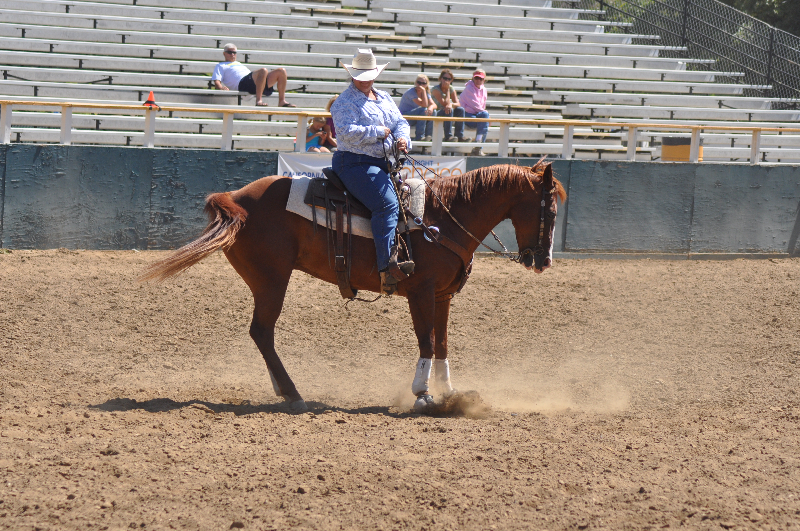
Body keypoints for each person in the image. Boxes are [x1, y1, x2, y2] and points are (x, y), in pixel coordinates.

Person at [330, 49, 412, 296]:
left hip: (381, 162)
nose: (365, 80)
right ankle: (386, 268)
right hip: (353, 162)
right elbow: (344, 132)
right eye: (361, 75)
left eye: (369, 75)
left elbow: (401, 123)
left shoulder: (384, 97)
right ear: (353, 75)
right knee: (387, 205)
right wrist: (378, 132)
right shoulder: (343, 102)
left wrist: (402, 139)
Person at [211, 43, 296, 107]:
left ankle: (282, 101)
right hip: (241, 84)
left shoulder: (239, 64)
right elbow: (217, 80)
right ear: (224, 53)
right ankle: (258, 100)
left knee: (282, 71)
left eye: (234, 52)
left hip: (253, 83)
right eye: (230, 52)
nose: (232, 54)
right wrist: (221, 87)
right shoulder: (221, 65)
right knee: (263, 70)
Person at [397, 74, 436, 142]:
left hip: (415, 117)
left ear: (427, 84)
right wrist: (423, 91)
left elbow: (434, 105)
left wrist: (431, 108)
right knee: (423, 110)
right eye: (419, 82)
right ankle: (419, 136)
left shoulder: (426, 93)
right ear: (415, 83)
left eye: (423, 83)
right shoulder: (411, 92)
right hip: (405, 117)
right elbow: (424, 105)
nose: (421, 85)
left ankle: (429, 136)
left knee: (433, 112)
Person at [460, 69, 490, 156]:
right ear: (473, 78)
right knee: (485, 118)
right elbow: (475, 104)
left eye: (480, 78)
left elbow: (481, 105)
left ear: (483, 80)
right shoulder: (469, 88)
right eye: (476, 78)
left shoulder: (484, 90)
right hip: (467, 114)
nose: (478, 80)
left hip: (475, 114)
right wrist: (487, 116)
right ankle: (478, 146)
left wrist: (486, 115)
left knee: (484, 117)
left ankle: (478, 145)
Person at [431, 69, 465, 142]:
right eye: (445, 78)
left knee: (460, 110)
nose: (446, 81)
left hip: (447, 111)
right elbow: (444, 104)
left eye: (449, 79)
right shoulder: (435, 89)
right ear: (440, 79)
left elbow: (458, 103)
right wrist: (447, 91)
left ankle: (459, 136)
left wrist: (451, 104)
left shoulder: (451, 88)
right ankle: (448, 136)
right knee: (449, 110)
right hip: (437, 112)